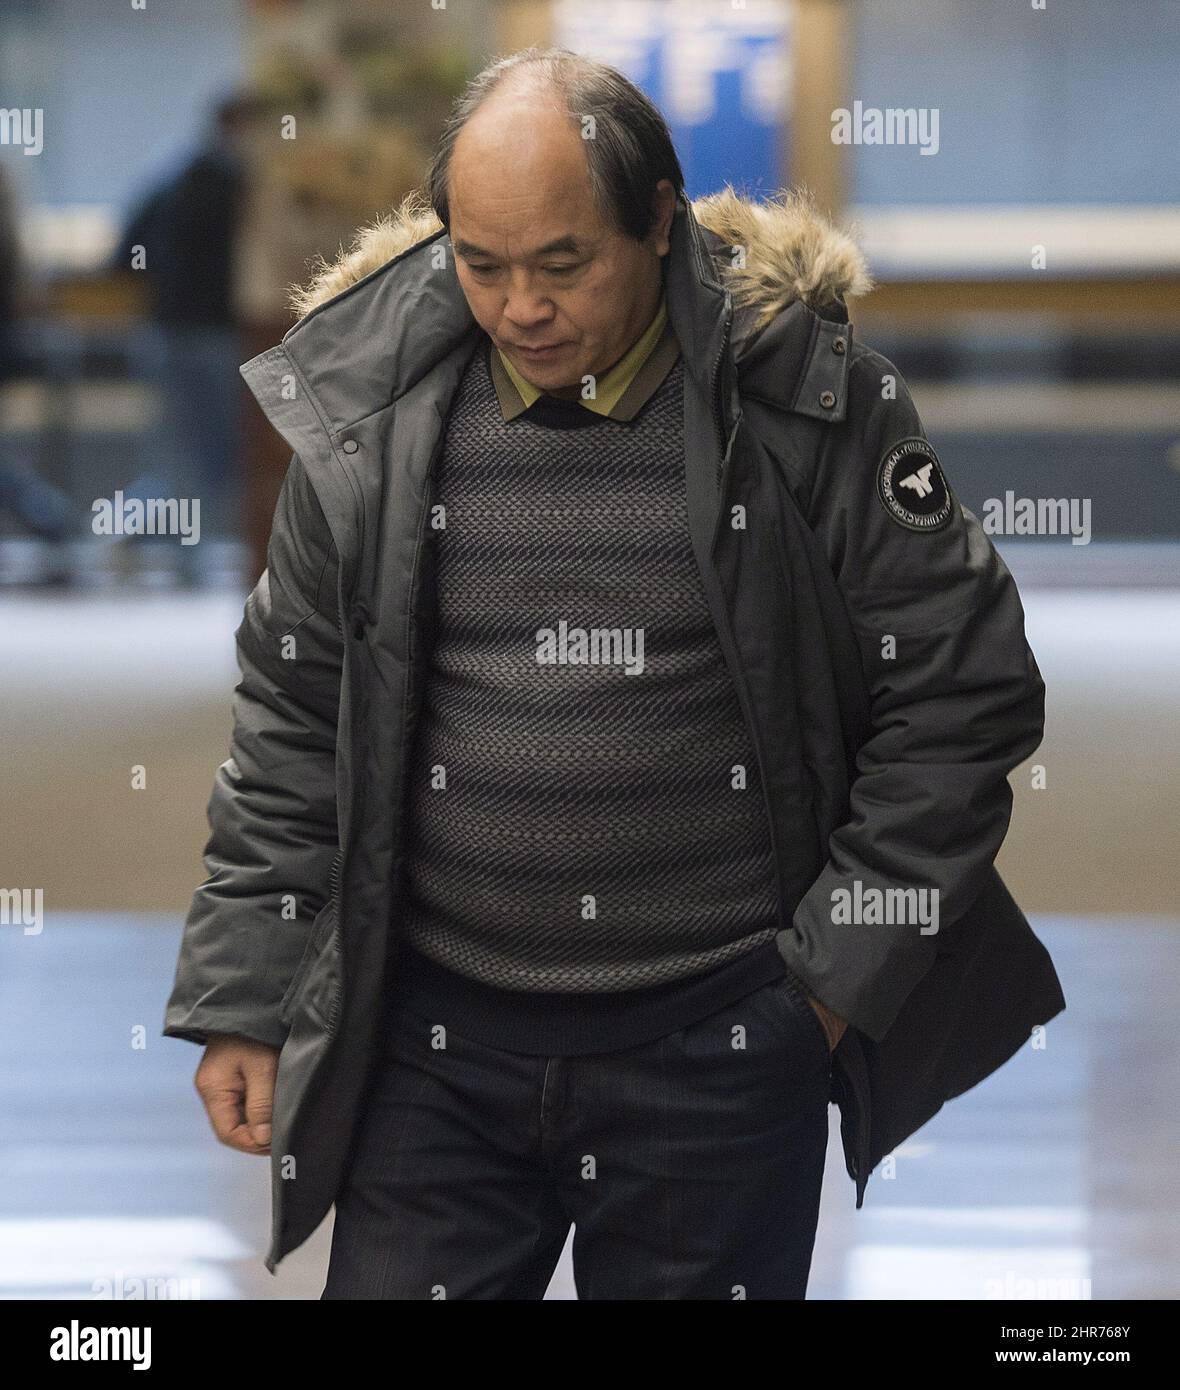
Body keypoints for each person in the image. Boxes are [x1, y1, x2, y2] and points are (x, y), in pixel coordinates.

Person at [163, 47, 1065, 1299]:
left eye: (562, 263)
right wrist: (246, 988)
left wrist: (823, 994)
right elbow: (293, 719)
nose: (519, 307)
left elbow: (962, 695)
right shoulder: (368, 417)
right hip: (428, 1046)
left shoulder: (807, 403)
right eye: (481, 265)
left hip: (719, 1046)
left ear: (656, 220)